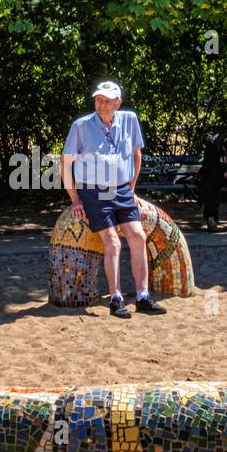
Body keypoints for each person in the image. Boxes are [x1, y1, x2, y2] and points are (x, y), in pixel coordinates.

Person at [62, 80, 167, 318]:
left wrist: (131, 185)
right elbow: (66, 163)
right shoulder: (81, 126)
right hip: (95, 191)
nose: (101, 104)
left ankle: (142, 296)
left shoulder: (129, 120)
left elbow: (136, 154)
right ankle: (116, 298)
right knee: (113, 241)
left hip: (121, 189)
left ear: (118, 103)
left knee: (138, 236)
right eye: (98, 99)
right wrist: (75, 199)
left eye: (107, 101)